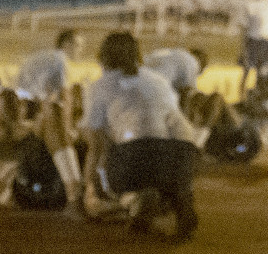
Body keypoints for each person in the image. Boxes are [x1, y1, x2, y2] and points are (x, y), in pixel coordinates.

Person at [80, 30, 203, 237]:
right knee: (166, 173)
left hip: (137, 156)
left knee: (110, 178)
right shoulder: (158, 80)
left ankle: (134, 199)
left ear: (104, 56)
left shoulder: (101, 86)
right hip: (184, 155)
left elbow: (96, 146)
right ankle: (178, 197)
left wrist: (87, 189)